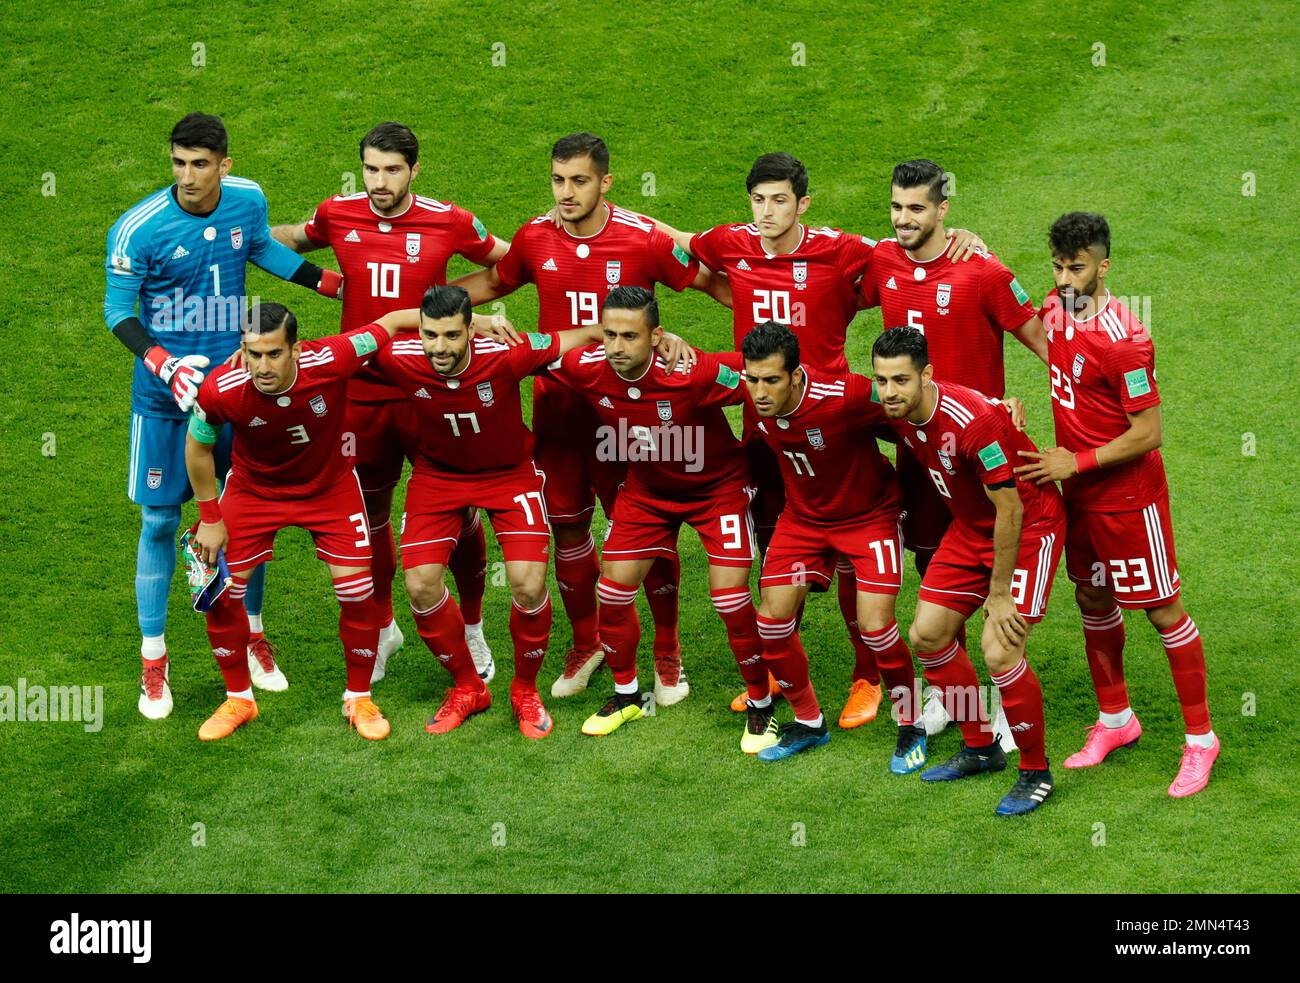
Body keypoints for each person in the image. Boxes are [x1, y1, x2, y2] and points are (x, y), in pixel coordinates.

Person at [451, 133, 730, 705]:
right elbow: (492, 283)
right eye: (557, 180)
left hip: (630, 413)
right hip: (560, 407)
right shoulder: (534, 237)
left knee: (644, 528)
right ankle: (589, 643)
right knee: (568, 526)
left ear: (605, 182)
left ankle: (668, 651)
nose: (566, 193)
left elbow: (713, 283)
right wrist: (446, 316)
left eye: (579, 181)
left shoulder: (643, 237)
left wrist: (783, 324)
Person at [105, 112, 343, 719]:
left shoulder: (246, 199)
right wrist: (164, 365)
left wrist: (334, 286)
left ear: (224, 165)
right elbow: (116, 311)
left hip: (240, 391)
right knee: (161, 522)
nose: (187, 176)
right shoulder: (138, 228)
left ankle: (253, 637)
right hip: (164, 399)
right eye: (178, 163)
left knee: (244, 520)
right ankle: (153, 660)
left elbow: (261, 248)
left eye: (199, 164)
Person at [272, 121, 512, 684]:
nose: (380, 182)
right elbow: (292, 238)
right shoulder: (338, 213)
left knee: (462, 508)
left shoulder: (448, 219)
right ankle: (383, 630)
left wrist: (451, 310)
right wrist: (235, 228)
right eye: (371, 169)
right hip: (361, 394)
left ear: (414, 170)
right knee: (370, 515)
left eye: (392, 170)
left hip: (433, 390)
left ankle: (472, 627)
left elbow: (507, 267)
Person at [1014, 211, 1218, 797]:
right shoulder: (1057, 311)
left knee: (1161, 612)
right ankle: (1115, 720)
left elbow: (1148, 432)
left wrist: (1072, 462)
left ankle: (1201, 741)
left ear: (1104, 267)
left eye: (1076, 268)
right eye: (1057, 266)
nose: (1064, 279)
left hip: (1129, 501)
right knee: (1092, 595)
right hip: (1079, 497)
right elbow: (1039, 335)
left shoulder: (1126, 341)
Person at [374, 285, 604, 739]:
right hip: (438, 477)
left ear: (470, 333)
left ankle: (524, 690)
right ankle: (467, 686)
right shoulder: (400, 357)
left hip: (509, 475)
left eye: (451, 336)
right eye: (430, 334)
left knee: (527, 582)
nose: (439, 348)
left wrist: (640, 334)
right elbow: (354, 341)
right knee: (420, 586)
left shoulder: (505, 356)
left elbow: (580, 335)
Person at [543, 287, 769, 739]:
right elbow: (537, 349)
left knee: (729, 599)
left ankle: (761, 703)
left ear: (657, 337)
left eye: (630, 336)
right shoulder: (588, 368)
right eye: (609, 335)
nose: (616, 348)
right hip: (647, 493)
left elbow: (762, 376)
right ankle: (627, 697)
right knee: (613, 591)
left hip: (716, 490)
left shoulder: (690, 371)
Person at [186, 302, 416, 740]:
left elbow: (390, 323)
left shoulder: (333, 358)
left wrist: (476, 322)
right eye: (253, 353)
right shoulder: (222, 387)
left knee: (357, 591)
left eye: (274, 353)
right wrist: (209, 518)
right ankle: (239, 699)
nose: (262, 365)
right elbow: (196, 448)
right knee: (215, 589)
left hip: (328, 487)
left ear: (296, 349)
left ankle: (359, 697)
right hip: (255, 491)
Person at [873, 327, 1064, 816]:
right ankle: (981, 748)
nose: (890, 392)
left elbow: (1012, 510)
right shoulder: (895, 409)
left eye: (900, 380)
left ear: (927, 376)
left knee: (1000, 650)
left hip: (1028, 527)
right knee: (929, 634)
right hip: (971, 528)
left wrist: (998, 594)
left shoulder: (974, 424)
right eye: (881, 380)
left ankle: (1036, 772)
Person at [736, 322, 919, 764]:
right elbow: (701, 370)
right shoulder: (748, 385)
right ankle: (809, 722)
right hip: (803, 521)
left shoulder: (847, 396)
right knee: (772, 623)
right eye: (752, 379)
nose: (760, 393)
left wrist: (994, 407)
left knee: (876, 626)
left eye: (772, 381)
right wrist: (670, 348)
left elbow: (914, 401)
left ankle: (911, 725)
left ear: (796, 377)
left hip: (868, 518)